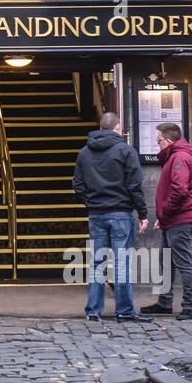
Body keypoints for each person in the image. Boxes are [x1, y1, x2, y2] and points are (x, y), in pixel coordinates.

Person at [72, 112, 150, 322]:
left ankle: (93, 311)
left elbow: (77, 184)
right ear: (117, 127)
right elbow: (135, 186)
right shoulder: (126, 151)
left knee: (97, 263)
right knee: (122, 263)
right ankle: (124, 310)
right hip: (121, 213)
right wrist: (142, 213)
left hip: (96, 213)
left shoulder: (85, 152)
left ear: (101, 127)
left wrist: (90, 202)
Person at [141, 122, 192, 320]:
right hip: (172, 218)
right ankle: (165, 302)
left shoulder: (179, 158)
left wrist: (164, 211)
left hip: (180, 218)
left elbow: (179, 190)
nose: (157, 144)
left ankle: (189, 307)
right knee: (165, 261)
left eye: (158, 140)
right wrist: (162, 217)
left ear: (167, 140)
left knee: (183, 262)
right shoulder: (175, 157)